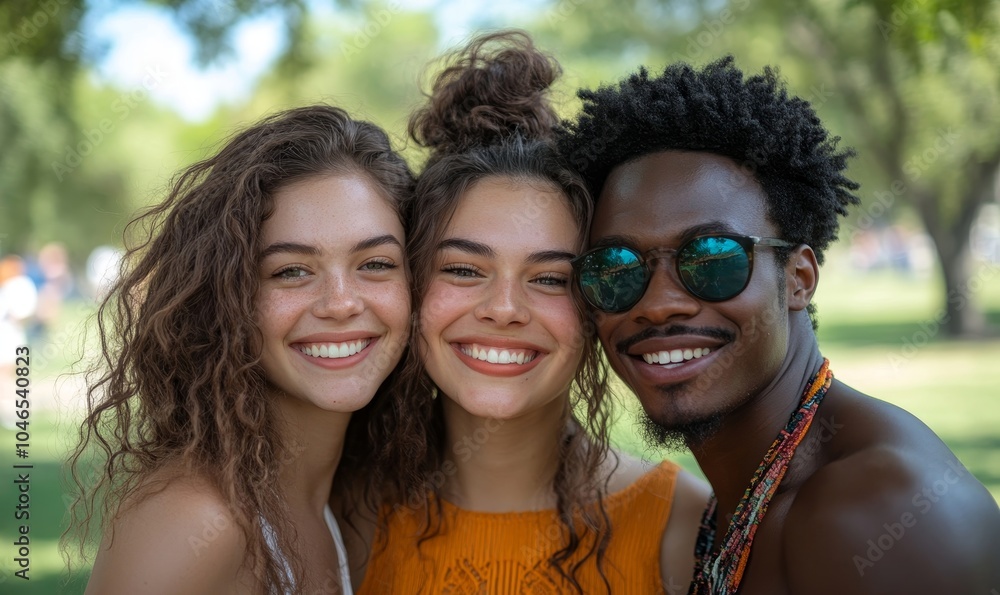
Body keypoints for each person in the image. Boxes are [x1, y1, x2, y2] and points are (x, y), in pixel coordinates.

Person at [558, 57, 1000, 594]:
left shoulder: (877, 514)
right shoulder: (749, 497)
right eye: (616, 269)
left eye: (712, 257)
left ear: (798, 277)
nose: (658, 305)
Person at [334, 31, 709, 595]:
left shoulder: (682, 526)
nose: (505, 309)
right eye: (465, 270)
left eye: (550, 278)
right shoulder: (342, 514)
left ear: (597, 303)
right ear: (412, 287)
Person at [69, 104, 414, 594]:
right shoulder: (192, 523)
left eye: (375, 264)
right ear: (226, 299)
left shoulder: (348, 502)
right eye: (290, 271)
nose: (341, 303)